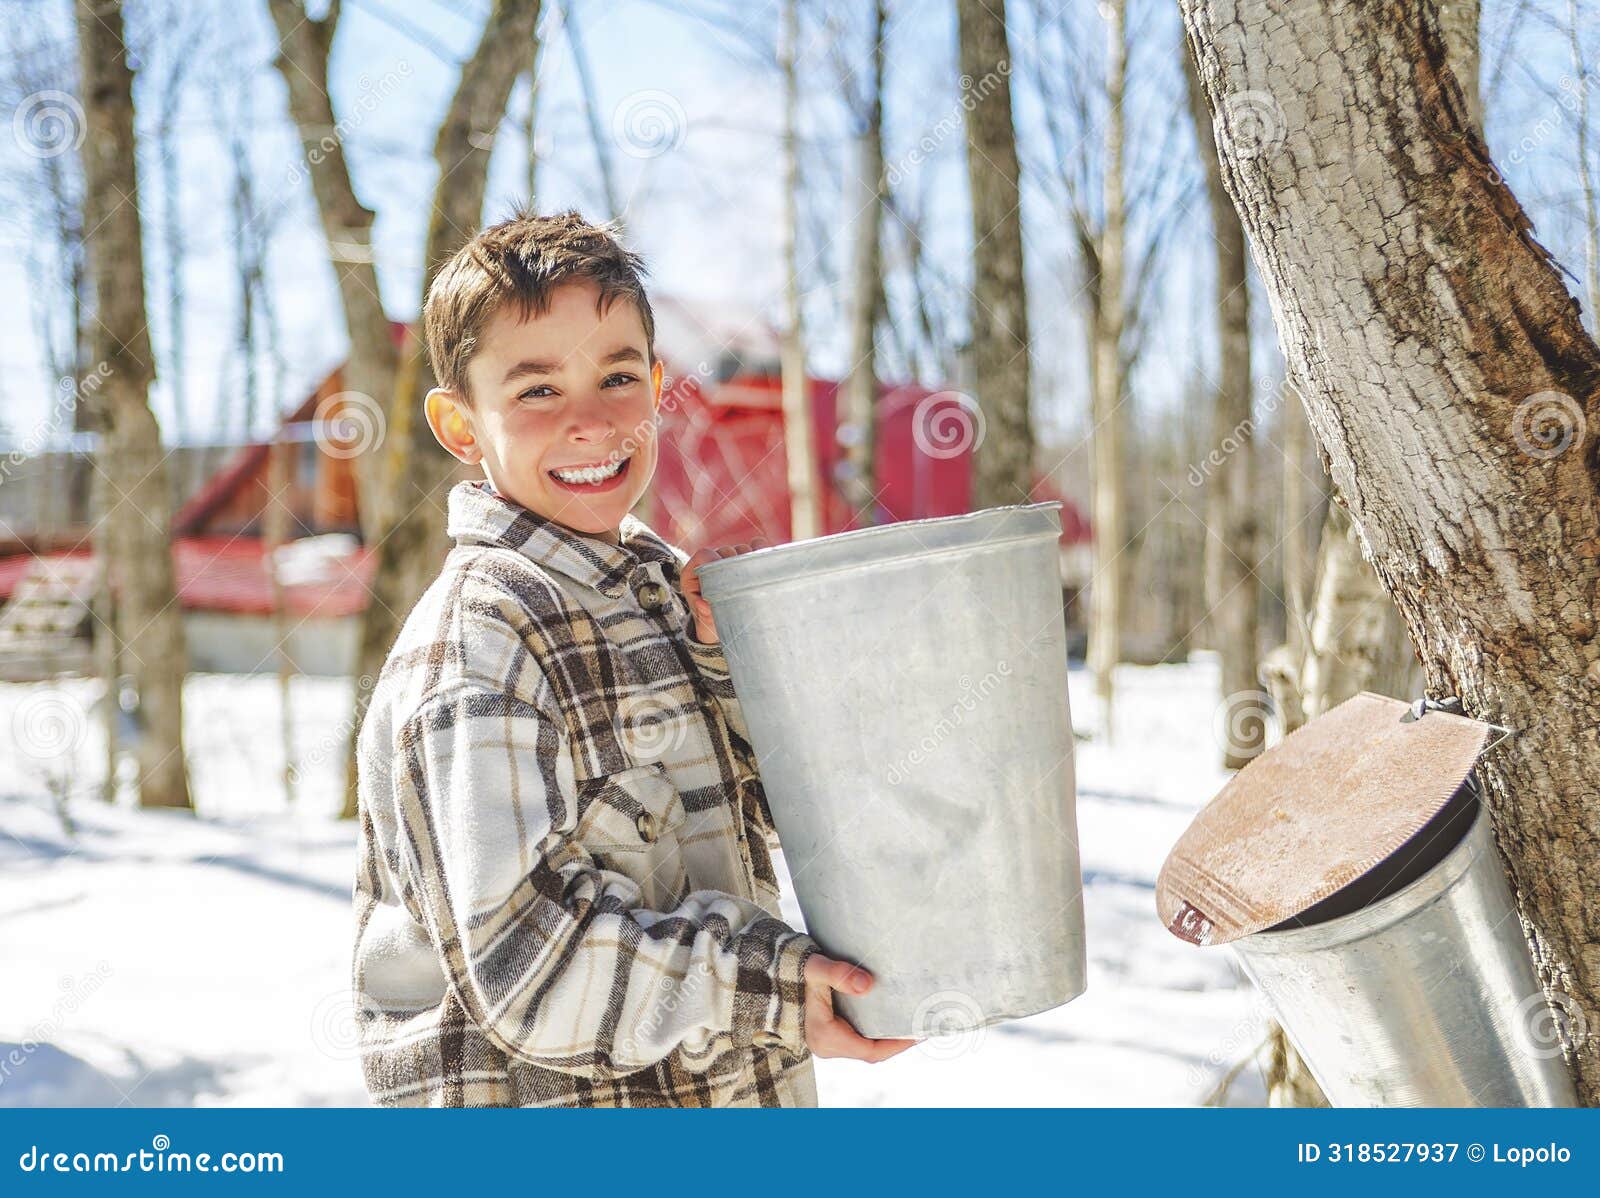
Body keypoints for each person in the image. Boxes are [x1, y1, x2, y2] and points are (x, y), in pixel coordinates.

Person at [351, 208, 916, 1107]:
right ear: (461, 427)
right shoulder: (483, 644)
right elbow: (525, 965)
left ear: (656, 386)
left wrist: (737, 676)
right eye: (536, 391)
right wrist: (765, 989)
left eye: (617, 377)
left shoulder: (653, 596)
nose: (591, 422)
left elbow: (752, 819)